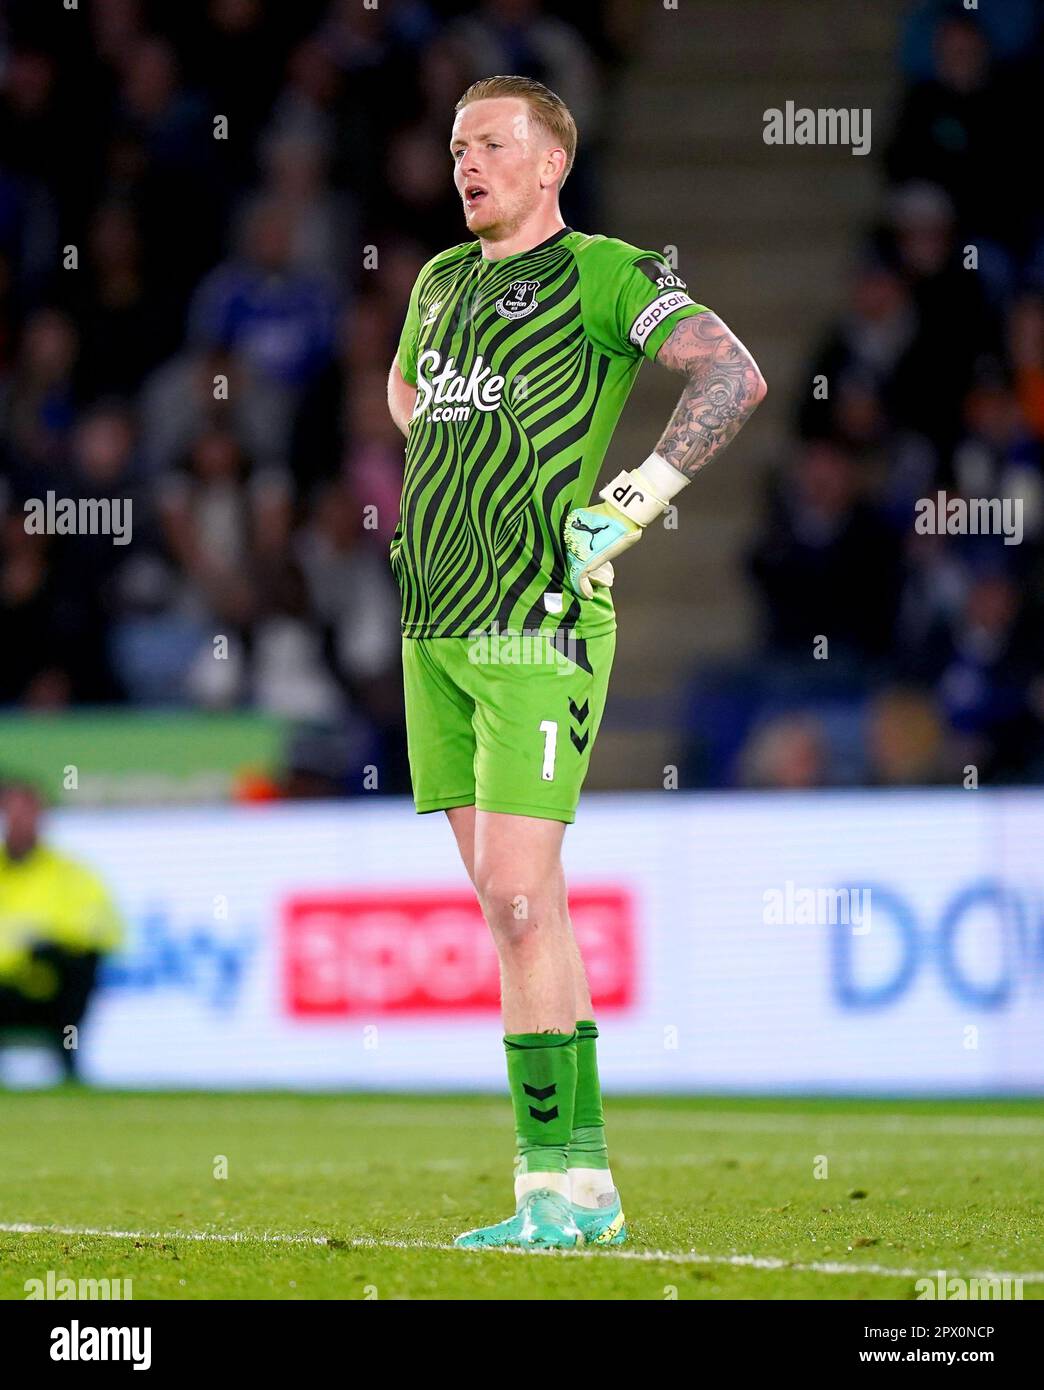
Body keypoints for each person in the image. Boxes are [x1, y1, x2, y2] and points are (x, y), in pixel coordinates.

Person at [386, 75, 766, 1249]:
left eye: (492, 143)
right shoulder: (442, 281)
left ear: (550, 162)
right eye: (457, 146)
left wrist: (635, 499)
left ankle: (560, 1185)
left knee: (513, 897)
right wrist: (460, 441)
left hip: (535, 623)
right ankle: (572, 1191)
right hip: (431, 627)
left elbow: (733, 372)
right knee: (519, 906)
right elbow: (408, 392)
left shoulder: (607, 271)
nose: (468, 162)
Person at [0, 781, 122, 1081]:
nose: (19, 822)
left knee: (79, 969)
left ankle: (68, 1065)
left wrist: (45, 942)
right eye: (11, 814)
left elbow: (104, 929)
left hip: (50, 986)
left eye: (26, 813)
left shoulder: (70, 874)